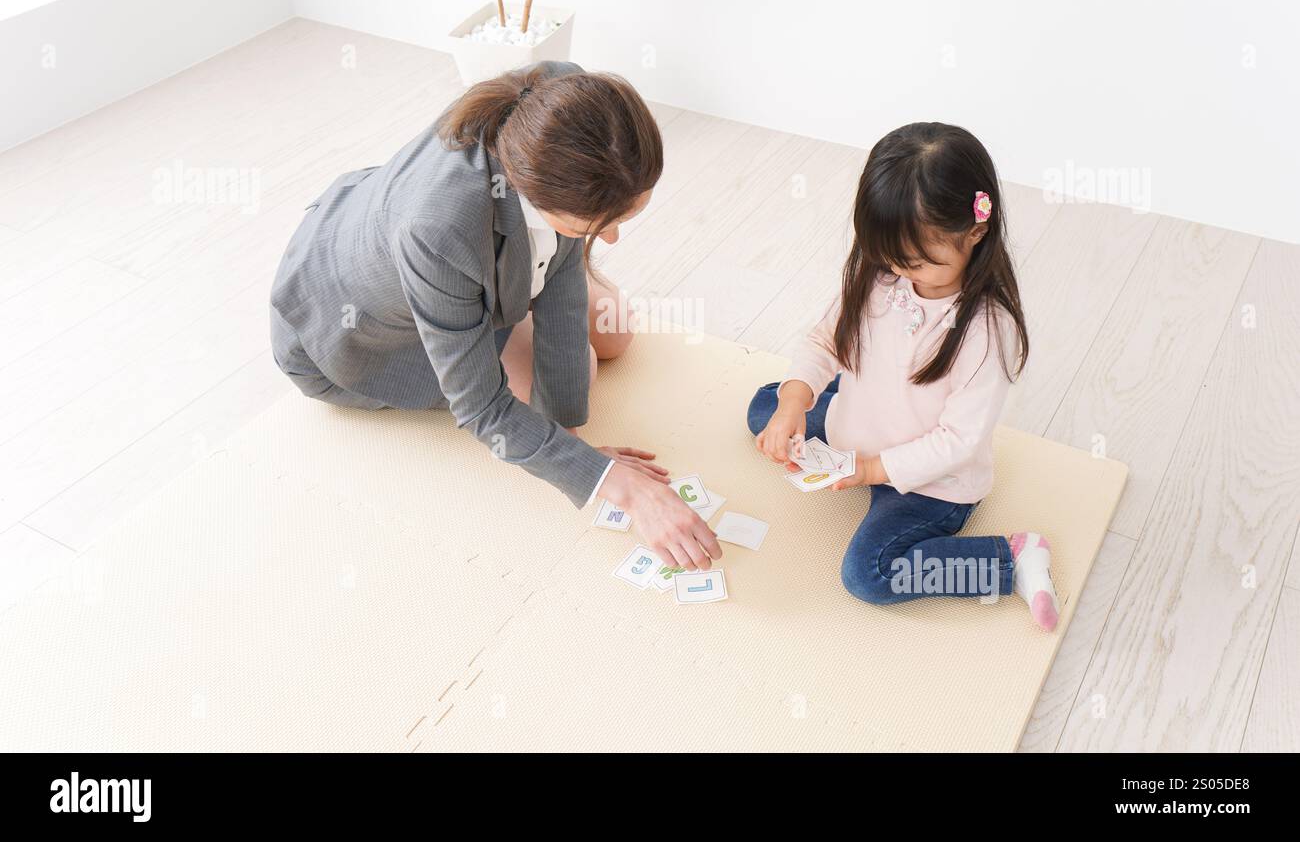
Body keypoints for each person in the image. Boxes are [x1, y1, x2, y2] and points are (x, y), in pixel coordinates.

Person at [270, 60, 722, 572]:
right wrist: (617, 486)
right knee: (583, 369)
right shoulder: (437, 229)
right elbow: (482, 409)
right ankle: (507, 292)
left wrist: (570, 440)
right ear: (537, 191)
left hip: (459, 253)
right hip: (357, 333)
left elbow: (567, 270)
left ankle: (524, 276)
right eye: (601, 224)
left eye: (624, 216)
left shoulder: (562, 96)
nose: (612, 239)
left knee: (612, 332)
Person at [747, 123, 1057, 629]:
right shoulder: (879, 270)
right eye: (886, 253)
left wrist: (867, 471)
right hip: (855, 434)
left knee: (869, 575)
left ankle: (1012, 559)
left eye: (917, 261)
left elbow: (957, 441)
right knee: (767, 407)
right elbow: (827, 340)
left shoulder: (985, 331)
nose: (897, 269)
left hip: (931, 481)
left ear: (976, 230)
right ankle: (805, 408)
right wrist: (792, 403)